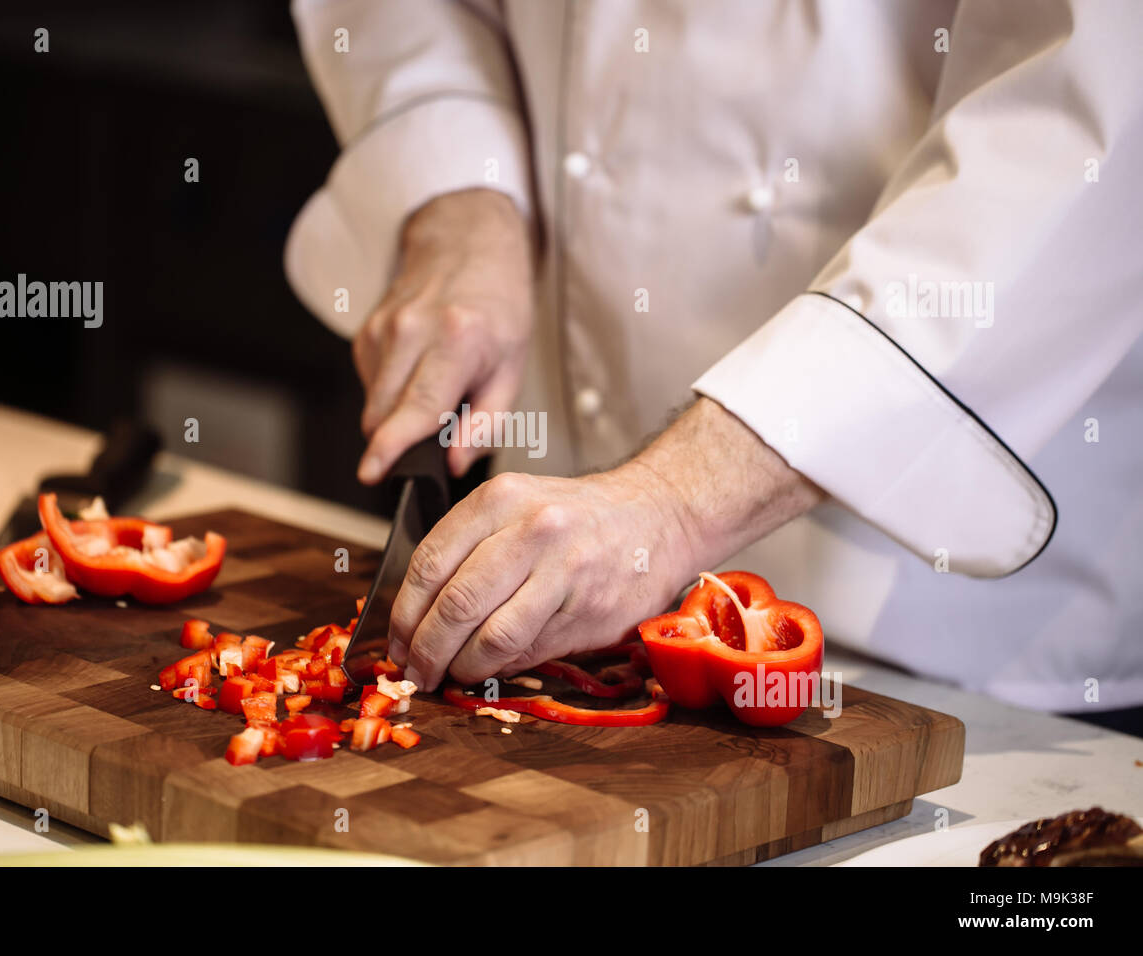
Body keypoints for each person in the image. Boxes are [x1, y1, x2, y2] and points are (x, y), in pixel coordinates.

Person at [283, 1, 1143, 728]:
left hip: (959, 645)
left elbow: (1074, 129)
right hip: (566, 606)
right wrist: (460, 191)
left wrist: (673, 502)